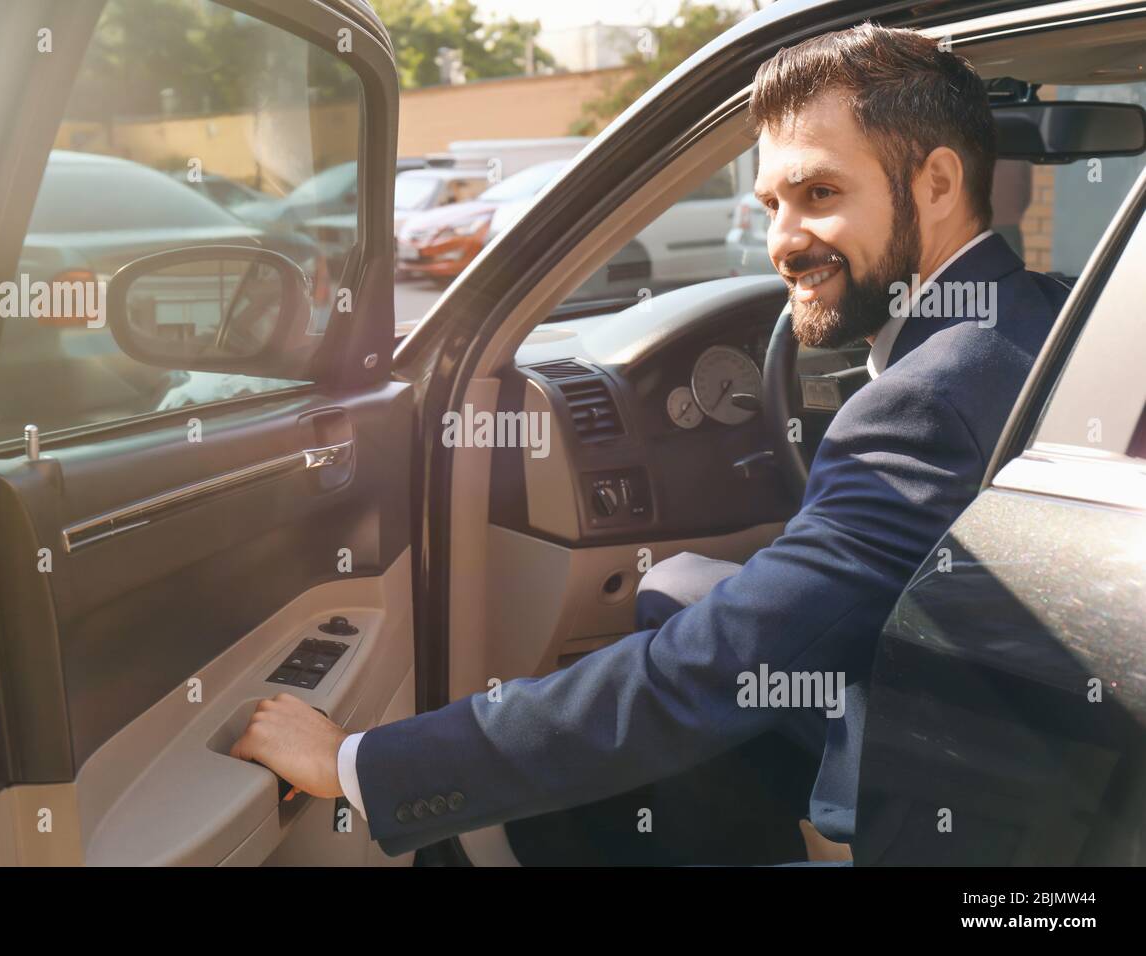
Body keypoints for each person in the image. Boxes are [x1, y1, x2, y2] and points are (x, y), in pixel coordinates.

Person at [229, 23, 1070, 860]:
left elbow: (701, 676)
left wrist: (356, 763)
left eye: (819, 195)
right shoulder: (1051, 312)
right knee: (675, 585)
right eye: (772, 204)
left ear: (938, 182)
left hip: (981, 832)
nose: (783, 241)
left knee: (693, 657)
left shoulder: (924, 400)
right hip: (1020, 730)